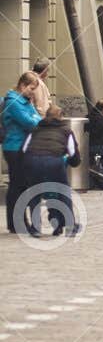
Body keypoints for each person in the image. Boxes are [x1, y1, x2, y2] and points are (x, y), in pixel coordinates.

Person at [17, 106, 80, 237]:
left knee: (34, 194)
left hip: (32, 160)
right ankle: (70, 226)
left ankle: (35, 228)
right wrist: (73, 162)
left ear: (46, 116)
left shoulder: (35, 130)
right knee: (63, 192)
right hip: (54, 161)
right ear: (61, 116)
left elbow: (23, 150)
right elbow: (73, 154)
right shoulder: (66, 131)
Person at [3, 72, 42, 233]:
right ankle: (17, 222)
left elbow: (37, 119)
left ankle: (17, 222)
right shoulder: (13, 102)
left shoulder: (25, 101)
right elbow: (30, 123)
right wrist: (35, 118)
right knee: (18, 185)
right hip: (15, 147)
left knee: (21, 185)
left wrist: (35, 117)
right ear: (23, 86)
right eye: (32, 88)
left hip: (23, 147)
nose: (33, 92)